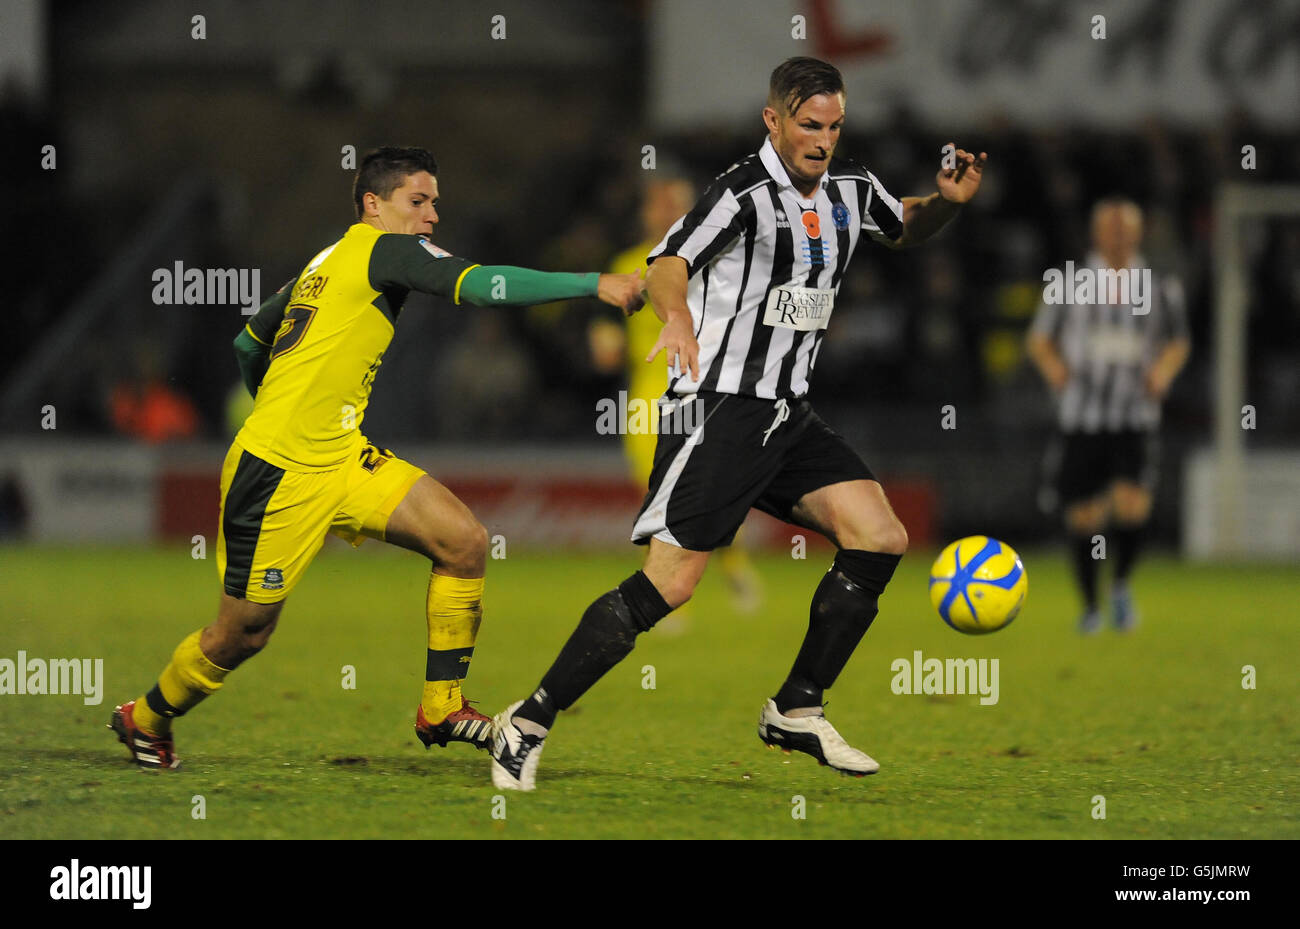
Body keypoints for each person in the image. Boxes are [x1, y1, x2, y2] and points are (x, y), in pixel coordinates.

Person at [489, 57, 986, 790]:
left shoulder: (850, 188)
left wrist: (946, 201)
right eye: (809, 125)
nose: (822, 139)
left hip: (786, 410)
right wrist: (679, 316)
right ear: (774, 121)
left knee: (879, 536)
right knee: (671, 585)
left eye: (834, 125)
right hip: (717, 406)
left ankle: (797, 705)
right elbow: (668, 263)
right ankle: (525, 722)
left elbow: (906, 225)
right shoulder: (741, 193)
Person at [109, 146, 644, 769]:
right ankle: (145, 717)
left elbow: (248, 339)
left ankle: (442, 706)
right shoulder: (385, 250)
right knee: (243, 633)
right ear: (373, 204)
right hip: (278, 472)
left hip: (341, 455)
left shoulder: (325, 260)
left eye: (435, 203)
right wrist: (592, 283)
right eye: (417, 202)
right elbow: (483, 286)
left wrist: (284, 399)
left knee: (464, 543)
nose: (431, 216)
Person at [589, 174, 763, 618]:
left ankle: (734, 566)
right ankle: (661, 595)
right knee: (656, 497)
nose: (663, 213)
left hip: (703, 389)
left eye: (673, 206)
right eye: (656, 205)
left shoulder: (714, 261)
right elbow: (608, 330)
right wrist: (604, 340)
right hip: (648, 399)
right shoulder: (629, 262)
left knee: (710, 488)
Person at [1026, 197, 1190, 635]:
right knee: (1084, 516)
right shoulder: (1068, 283)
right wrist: (1055, 369)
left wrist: (1163, 371)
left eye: (1125, 228)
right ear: (1096, 233)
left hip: (1135, 415)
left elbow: (1178, 342)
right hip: (1083, 417)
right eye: (1110, 227)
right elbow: (1040, 340)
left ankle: (1119, 585)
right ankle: (1090, 606)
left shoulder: (1159, 286)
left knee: (1133, 506)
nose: (1117, 235)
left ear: (1138, 234)